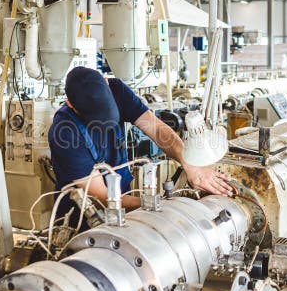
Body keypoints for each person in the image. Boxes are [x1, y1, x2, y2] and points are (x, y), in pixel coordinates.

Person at [48, 66, 232, 226]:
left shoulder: (117, 90)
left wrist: (191, 165)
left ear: (106, 81)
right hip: (82, 217)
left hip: (124, 195)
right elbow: (102, 198)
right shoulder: (65, 133)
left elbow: (157, 129)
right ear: (70, 104)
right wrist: (158, 203)